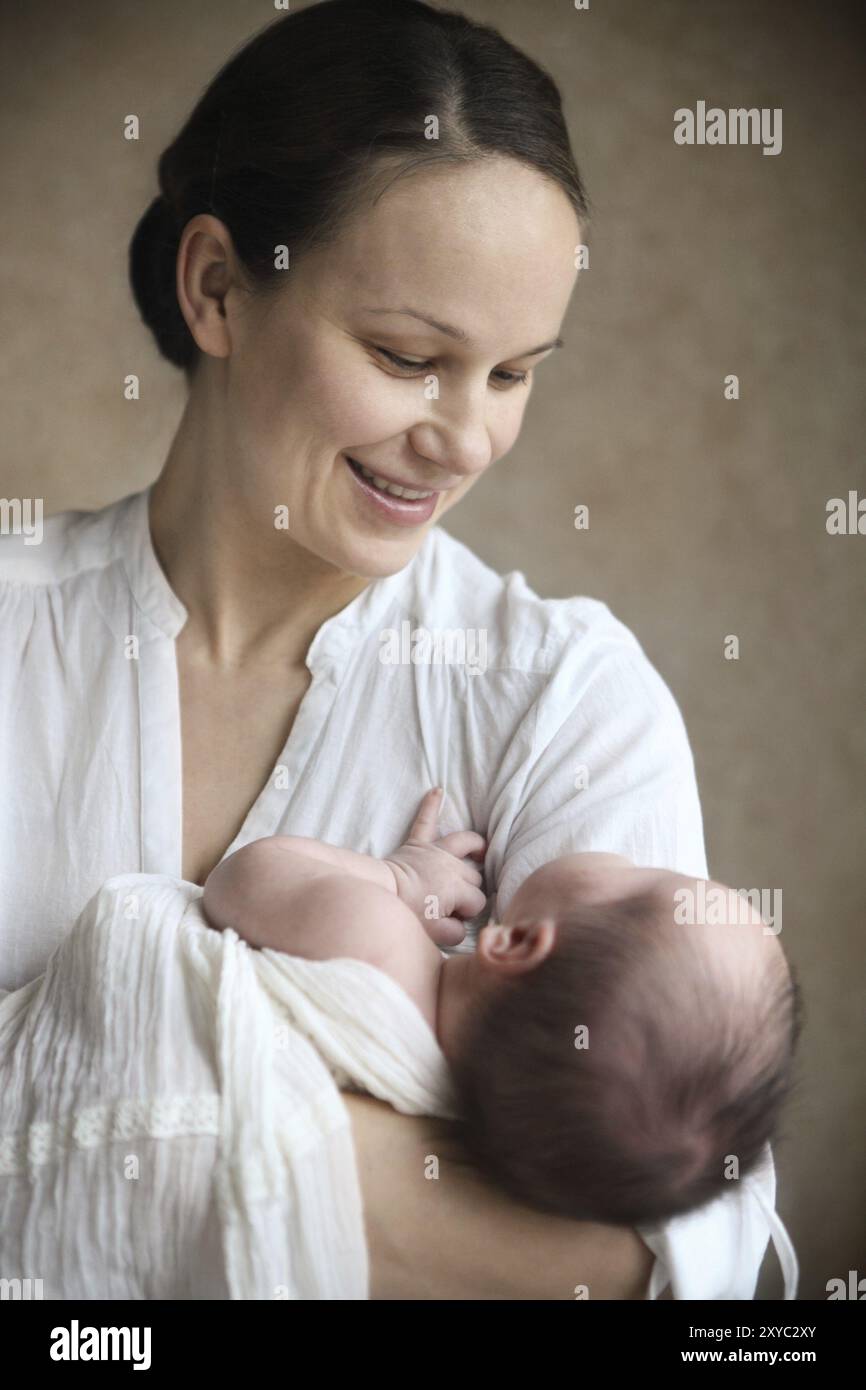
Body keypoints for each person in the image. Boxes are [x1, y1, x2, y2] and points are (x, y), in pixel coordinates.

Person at [0, 0, 790, 1297]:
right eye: (407, 355)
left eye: (512, 374)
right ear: (217, 287)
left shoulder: (561, 701)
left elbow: (676, 1247)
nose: (465, 439)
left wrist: (135, 1133)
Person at [202, 787, 803, 1229]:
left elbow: (241, 878)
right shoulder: (450, 1105)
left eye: (642, 877)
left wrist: (399, 880)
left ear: (515, 944)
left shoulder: (375, 943)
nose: (628, 857)